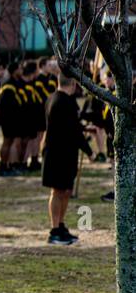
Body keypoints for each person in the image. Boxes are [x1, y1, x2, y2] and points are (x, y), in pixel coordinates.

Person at [43, 76, 89, 245]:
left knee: (66, 190)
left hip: (66, 153)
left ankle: (60, 225)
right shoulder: (62, 101)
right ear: (73, 83)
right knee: (57, 191)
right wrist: (88, 150)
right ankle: (54, 230)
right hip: (58, 153)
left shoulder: (55, 98)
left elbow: (72, 125)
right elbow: (73, 130)